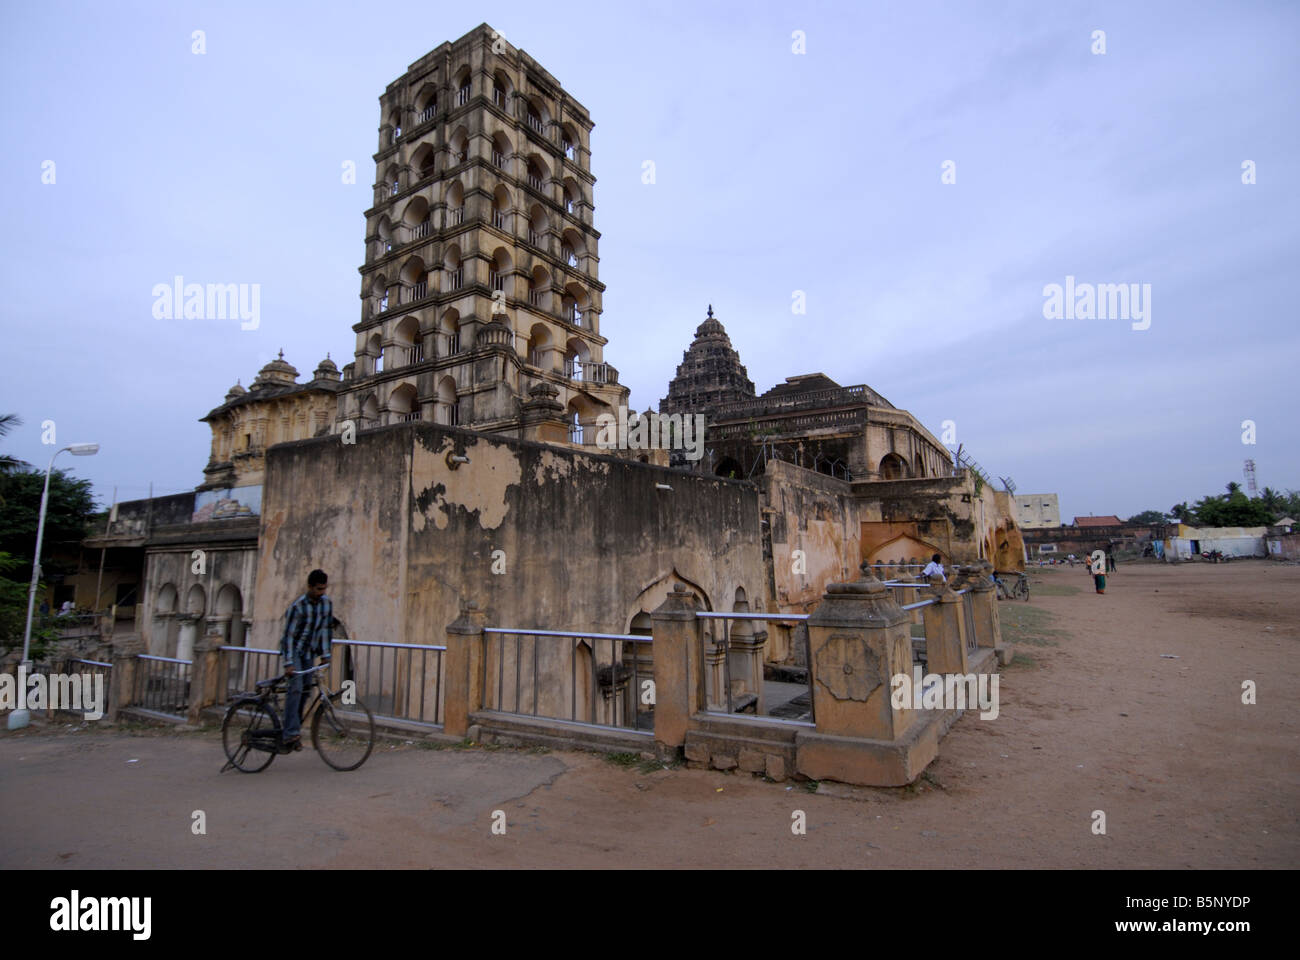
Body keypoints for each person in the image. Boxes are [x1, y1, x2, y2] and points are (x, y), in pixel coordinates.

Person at [279, 569, 333, 750]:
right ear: (309, 587)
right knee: (295, 688)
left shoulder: (326, 604)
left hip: (309, 651)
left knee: (306, 690)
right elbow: (288, 637)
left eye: (323, 589)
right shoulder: (298, 607)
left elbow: (326, 629)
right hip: (295, 650)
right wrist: (289, 662)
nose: (321, 592)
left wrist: (326, 654)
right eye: (318, 589)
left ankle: (294, 729)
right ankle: (289, 733)